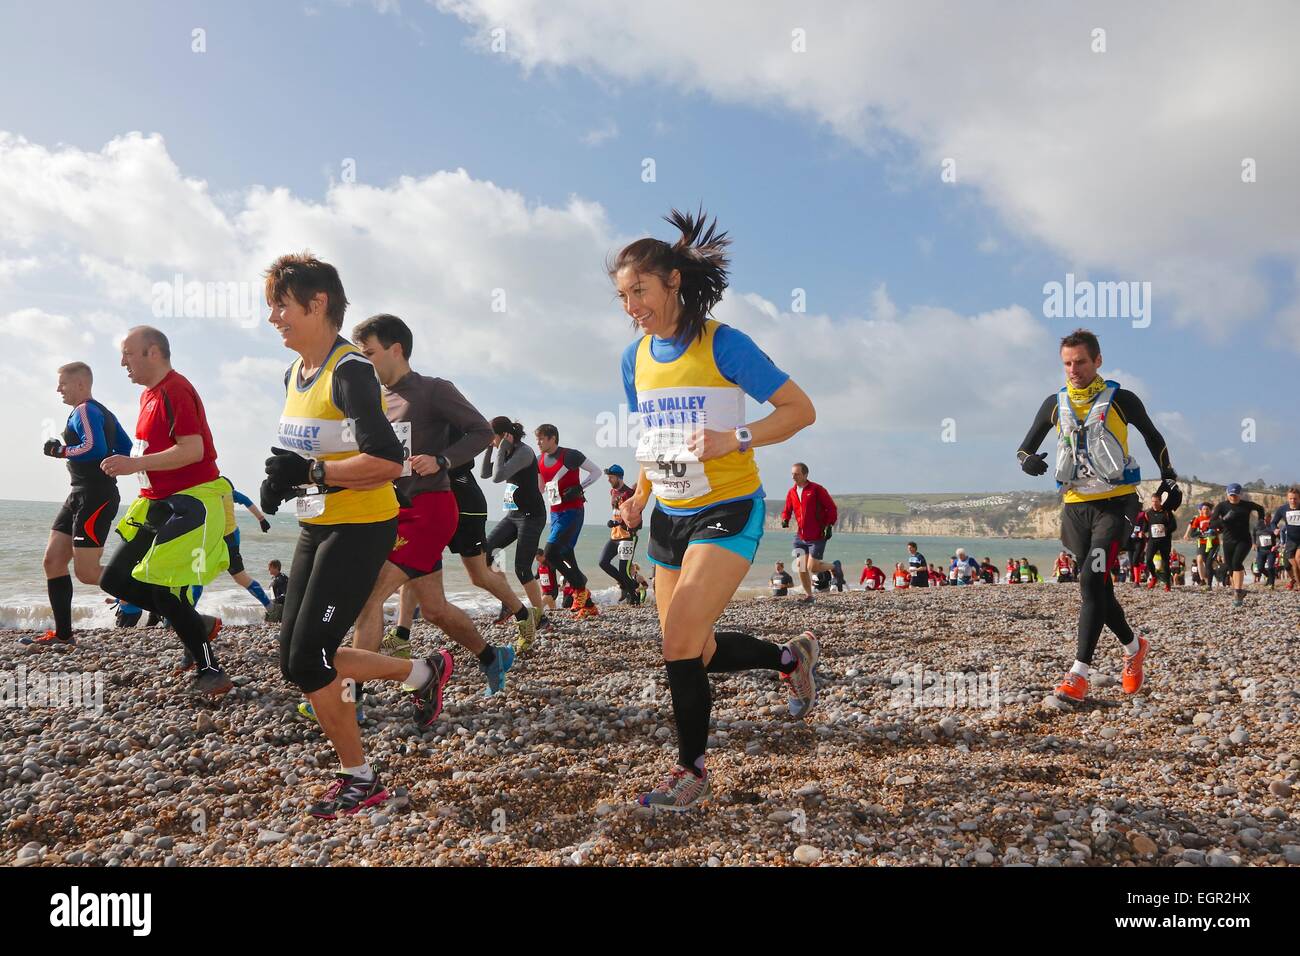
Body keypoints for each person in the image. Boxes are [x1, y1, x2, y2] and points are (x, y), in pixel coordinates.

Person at [614, 207, 818, 810]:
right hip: (667, 517)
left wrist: (739, 437)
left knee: (677, 640)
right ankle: (791, 657)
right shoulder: (635, 359)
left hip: (727, 507)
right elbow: (650, 441)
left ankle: (692, 773)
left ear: (673, 282)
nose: (632, 307)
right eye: (623, 297)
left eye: (640, 292)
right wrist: (637, 499)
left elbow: (800, 410)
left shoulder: (724, 343)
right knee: (694, 649)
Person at [260, 252, 455, 819]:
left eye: (282, 305)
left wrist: (314, 473)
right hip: (316, 525)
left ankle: (361, 778)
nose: (274, 317)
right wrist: (282, 477)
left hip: (362, 527)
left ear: (318, 304)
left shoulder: (350, 371)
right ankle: (424, 672)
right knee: (294, 659)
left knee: (308, 660)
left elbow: (387, 461)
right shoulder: (294, 373)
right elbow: (309, 447)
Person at [346, 313, 522, 701]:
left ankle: (351, 698)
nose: (364, 362)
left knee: (369, 595)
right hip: (393, 511)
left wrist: (442, 459)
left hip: (430, 509)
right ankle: (492, 656)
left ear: (396, 349)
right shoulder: (374, 401)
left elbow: (480, 431)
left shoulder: (433, 390)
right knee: (436, 608)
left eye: (369, 353)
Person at [1016, 327, 1177, 704]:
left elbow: (1155, 438)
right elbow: (1024, 448)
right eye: (1067, 364)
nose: (1073, 370)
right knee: (1097, 588)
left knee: (1091, 579)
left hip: (1117, 503)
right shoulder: (1054, 403)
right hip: (1075, 507)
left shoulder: (1122, 399)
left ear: (1098, 360)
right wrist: (1028, 462)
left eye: (1081, 362)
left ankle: (1078, 675)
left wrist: (1170, 477)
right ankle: (1135, 647)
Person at [97, 327, 233, 693]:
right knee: (115, 579)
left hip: (191, 501)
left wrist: (132, 464)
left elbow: (194, 450)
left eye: (128, 354)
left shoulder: (176, 389)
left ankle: (210, 671)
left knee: (164, 590)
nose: (122, 362)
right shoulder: (148, 395)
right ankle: (196, 623)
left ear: (152, 352)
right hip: (157, 502)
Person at [28, 362, 133, 647]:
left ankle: (163, 599)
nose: (58, 389)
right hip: (79, 494)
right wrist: (107, 465)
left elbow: (93, 447)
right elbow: (124, 446)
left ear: (80, 384)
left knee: (87, 572)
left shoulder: (85, 409)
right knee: (53, 561)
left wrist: (59, 450)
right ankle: (63, 635)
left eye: (62, 383)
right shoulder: (101, 412)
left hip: (95, 496)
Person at [481, 417, 549, 624]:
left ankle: (540, 617)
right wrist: (490, 448)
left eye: (491, 436)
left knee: (522, 568)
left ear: (503, 436)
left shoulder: (524, 452)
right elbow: (485, 473)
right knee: (487, 551)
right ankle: (509, 603)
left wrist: (501, 448)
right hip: (513, 515)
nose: (490, 440)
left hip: (531, 516)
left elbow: (497, 476)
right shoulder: (506, 450)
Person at [536, 423, 604, 619]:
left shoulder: (570, 455)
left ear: (553, 438)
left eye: (542, 439)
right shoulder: (539, 460)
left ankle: (579, 588)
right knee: (567, 555)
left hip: (573, 511)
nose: (539, 443)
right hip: (555, 513)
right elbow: (541, 489)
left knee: (550, 552)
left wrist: (580, 488)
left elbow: (596, 472)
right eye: (537, 439)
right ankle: (589, 605)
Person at [780, 462, 838, 603]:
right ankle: (809, 595)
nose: (793, 477)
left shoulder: (817, 489)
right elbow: (787, 509)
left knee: (813, 567)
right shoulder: (792, 492)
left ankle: (834, 567)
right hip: (800, 535)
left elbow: (831, 508)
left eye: (797, 474)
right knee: (801, 566)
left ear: (805, 474)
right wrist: (785, 518)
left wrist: (829, 525)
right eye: (792, 474)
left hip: (817, 535)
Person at [216, 476, 274, 610]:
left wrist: (261, 519)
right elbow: (245, 500)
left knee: (239, 577)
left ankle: (270, 607)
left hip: (228, 540)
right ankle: (182, 617)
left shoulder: (217, 489)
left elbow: (245, 500)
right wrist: (261, 519)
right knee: (198, 577)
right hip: (218, 539)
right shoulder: (222, 487)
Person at [1210, 483, 1267, 607]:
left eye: (1235, 495)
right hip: (1228, 540)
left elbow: (1260, 508)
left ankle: (1237, 591)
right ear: (1227, 494)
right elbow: (1212, 524)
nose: (1233, 497)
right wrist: (1223, 520)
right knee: (1231, 567)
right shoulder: (1222, 506)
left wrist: (1261, 520)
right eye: (1231, 495)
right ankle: (1238, 591)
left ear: (1240, 494)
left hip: (1244, 540)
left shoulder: (1246, 505)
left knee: (1236, 563)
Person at [598, 464, 642, 603]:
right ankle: (627, 585)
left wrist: (619, 523)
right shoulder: (613, 492)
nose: (609, 480)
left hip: (628, 537)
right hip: (614, 536)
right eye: (608, 477)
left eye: (611, 477)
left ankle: (635, 597)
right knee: (603, 562)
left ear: (619, 477)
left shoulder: (629, 494)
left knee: (624, 571)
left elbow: (637, 520)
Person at [1134, 491, 1177, 591]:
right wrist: (1142, 532)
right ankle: (1154, 577)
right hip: (1152, 541)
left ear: (1160, 501)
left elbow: (1174, 526)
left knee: (1165, 562)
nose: (1154, 503)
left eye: (1156, 501)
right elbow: (1145, 526)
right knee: (1148, 560)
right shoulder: (1147, 513)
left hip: (1165, 541)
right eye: (1153, 501)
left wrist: (1166, 530)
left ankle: (1168, 584)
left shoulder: (1167, 512)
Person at [1185, 502, 1220, 591]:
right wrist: (1201, 533)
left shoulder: (1215, 518)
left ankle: (1209, 584)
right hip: (1202, 543)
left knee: (1208, 563)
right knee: (1200, 560)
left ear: (1210, 510)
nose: (1206, 511)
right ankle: (1202, 579)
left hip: (1214, 543)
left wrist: (1215, 531)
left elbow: (1222, 528)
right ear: (1201, 510)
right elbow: (1193, 533)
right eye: (1204, 509)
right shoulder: (1198, 519)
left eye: (1207, 509)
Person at [1271, 486, 1300, 591]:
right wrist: (1275, 529)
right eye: (1291, 498)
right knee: (1289, 565)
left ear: (1299, 498)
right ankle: (1295, 581)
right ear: (1288, 499)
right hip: (1290, 540)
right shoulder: (1283, 509)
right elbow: (1273, 522)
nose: (1293, 501)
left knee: (1298, 560)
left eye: (1295, 498)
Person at [1254, 511, 1278, 588]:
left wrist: (1277, 546)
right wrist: (1254, 543)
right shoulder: (1258, 525)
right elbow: (1253, 534)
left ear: (1270, 518)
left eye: (1267, 517)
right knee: (1260, 568)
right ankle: (1270, 577)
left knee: (1270, 567)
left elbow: (1281, 538)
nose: (1265, 519)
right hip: (1261, 550)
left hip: (1271, 550)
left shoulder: (1273, 527)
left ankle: (1271, 583)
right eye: (1264, 518)